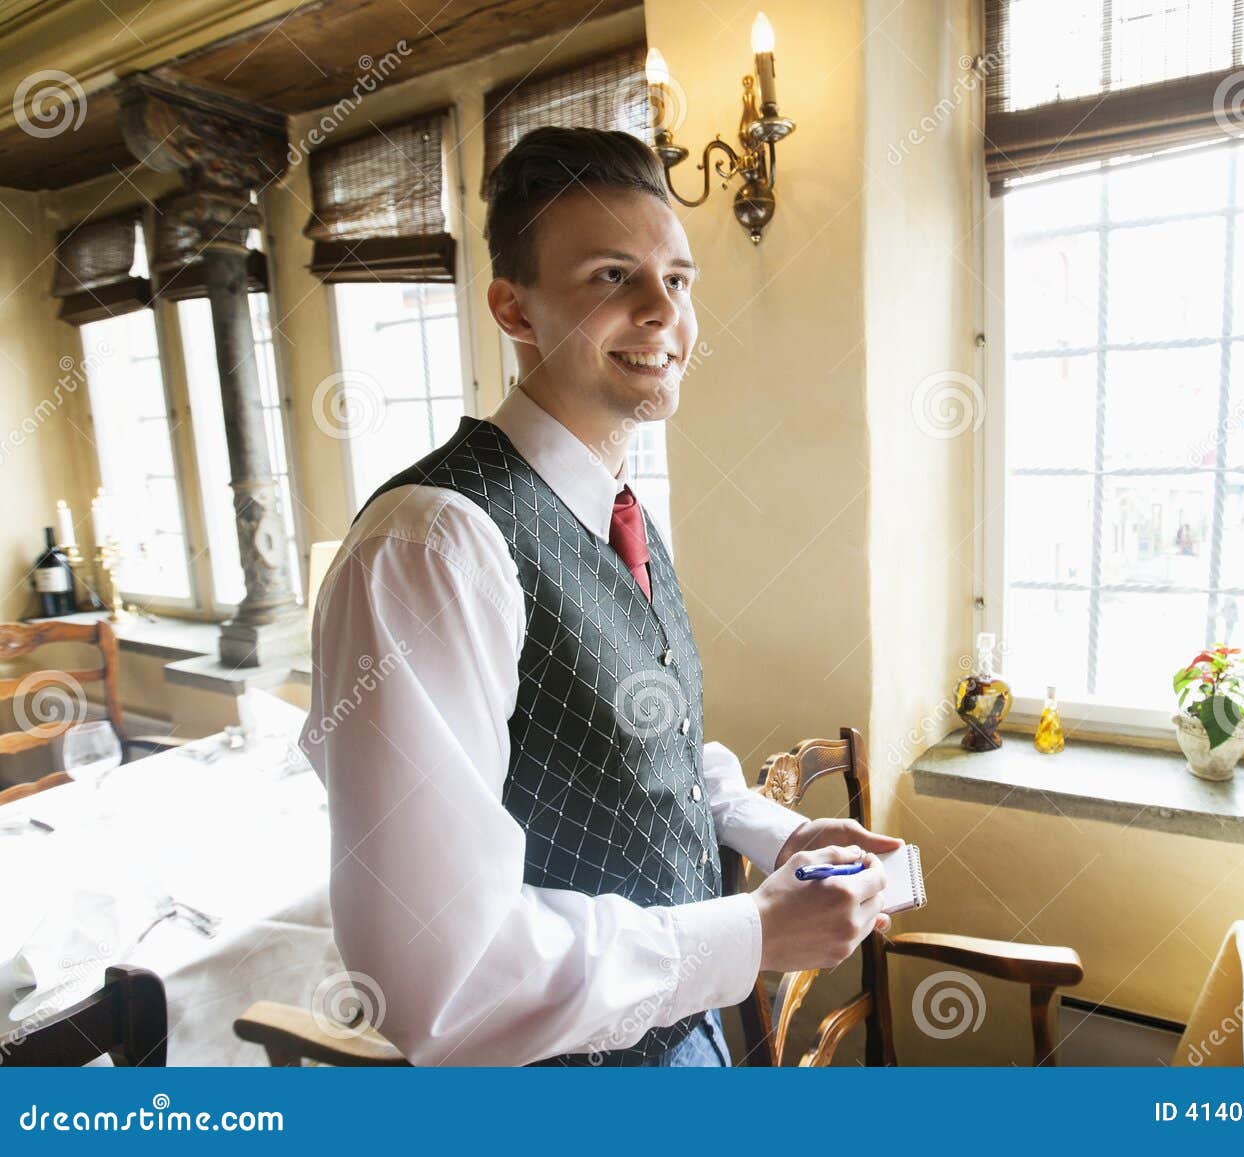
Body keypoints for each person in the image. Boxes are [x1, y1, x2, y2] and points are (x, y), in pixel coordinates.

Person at [300, 126, 901, 1067]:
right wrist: (751, 936)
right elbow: (438, 978)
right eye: (613, 276)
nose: (663, 310)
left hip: (685, 1040)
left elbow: (635, 741)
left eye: (680, 277)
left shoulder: (616, 508)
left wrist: (773, 830)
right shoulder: (431, 546)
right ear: (515, 308)